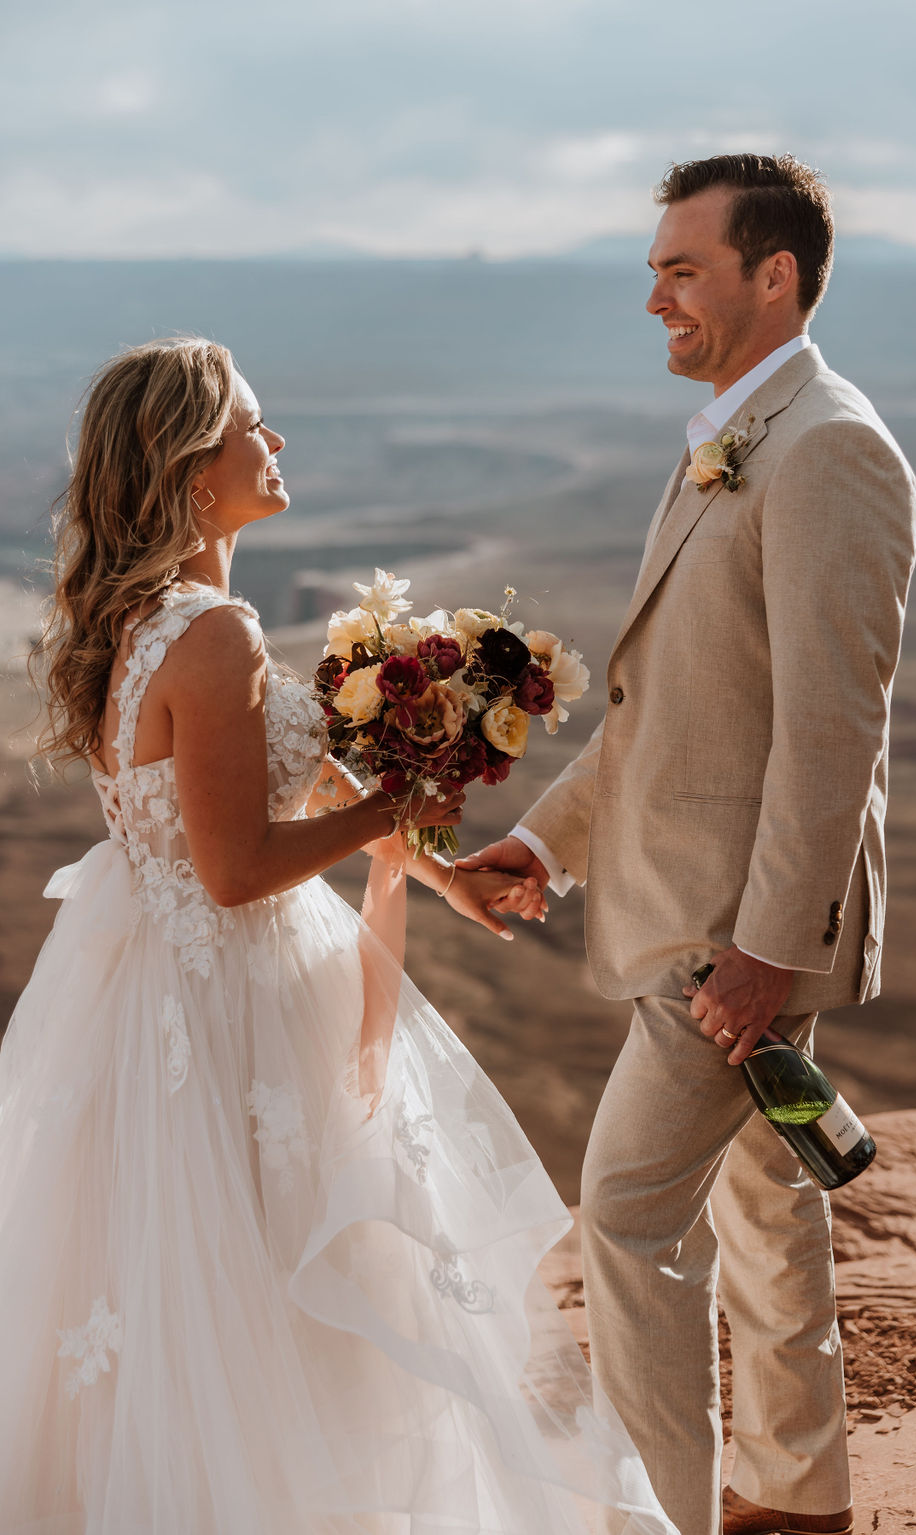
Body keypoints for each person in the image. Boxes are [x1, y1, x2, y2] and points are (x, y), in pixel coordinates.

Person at [1, 336, 680, 1535]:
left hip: (154, 989)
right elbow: (235, 868)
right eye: (254, 426)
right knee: (289, 1289)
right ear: (191, 467)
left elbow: (270, 804)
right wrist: (398, 800)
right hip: (235, 1006)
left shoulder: (142, 622)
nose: (277, 443)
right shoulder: (214, 634)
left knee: (200, 1301)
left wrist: (429, 865)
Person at [461, 154, 916, 1535]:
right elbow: (668, 709)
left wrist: (769, 950)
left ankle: (658, 1513)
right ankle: (798, 1494)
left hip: (735, 938)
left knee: (626, 1215)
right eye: (656, 263)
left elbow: (833, 728)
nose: (652, 291)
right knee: (773, 1211)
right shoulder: (738, 435)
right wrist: (546, 842)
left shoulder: (829, 445)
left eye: (682, 266)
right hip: (697, 914)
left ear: (772, 277)